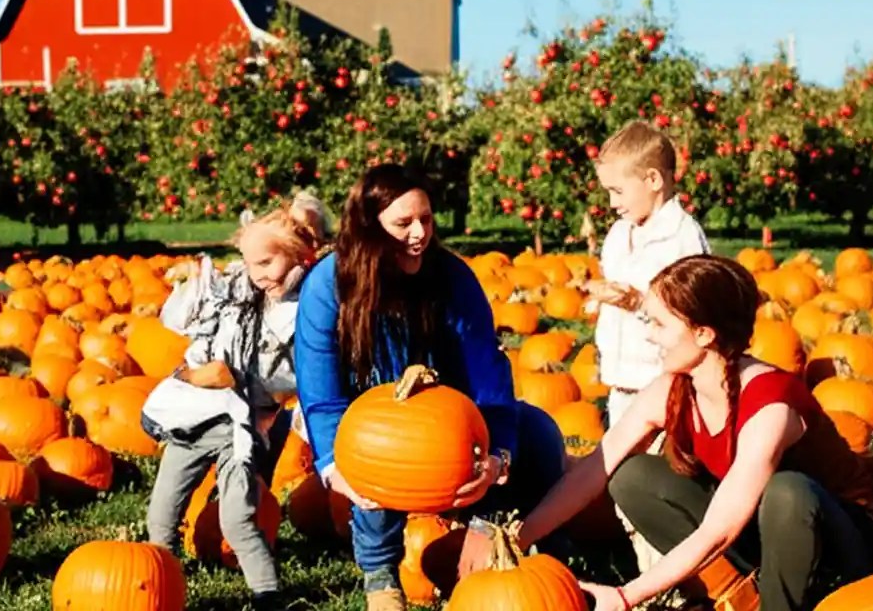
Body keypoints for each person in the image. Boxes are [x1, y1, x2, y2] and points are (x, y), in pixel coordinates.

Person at [516, 255, 873, 611]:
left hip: (839, 545)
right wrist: (518, 539)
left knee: (787, 491)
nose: (650, 336)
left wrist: (627, 596)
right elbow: (593, 470)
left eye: (659, 325)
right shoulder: (674, 389)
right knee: (633, 477)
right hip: (758, 529)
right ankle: (735, 594)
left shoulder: (770, 405)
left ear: (704, 333)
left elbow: (721, 529)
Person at [294, 164, 567, 611]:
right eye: (403, 223)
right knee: (376, 454)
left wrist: (497, 455)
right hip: (377, 430)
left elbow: (489, 377)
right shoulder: (330, 286)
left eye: (426, 218)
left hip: (454, 424)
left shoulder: (452, 279)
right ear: (369, 227)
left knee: (537, 433)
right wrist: (333, 464)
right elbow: (321, 391)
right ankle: (381, 578)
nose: (419, 232)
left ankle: (517, 539)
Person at [141, 193, 331, 611]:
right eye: (249, 264)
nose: (257, 274)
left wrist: (240, 380)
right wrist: (191, 282)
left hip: (238, 430)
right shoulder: (237, 293)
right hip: (194, 419)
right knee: (161, 515)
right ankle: (163, 588)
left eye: (267, 263)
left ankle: (268, 597)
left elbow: (294, 375)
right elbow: (183, 319)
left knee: (237, 519)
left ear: (299, 254)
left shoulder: (306, 309)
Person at [584, 119, 711, 572]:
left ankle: (677, 578)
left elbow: (690, 312)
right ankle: (649, 574)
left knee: (660, 486)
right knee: (620, 482)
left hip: (664, 386)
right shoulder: (621, 234)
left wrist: (636, 300)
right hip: (623, 386)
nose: (612, 203)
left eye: (618, 192)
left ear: (653, 180)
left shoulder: (682, 237)